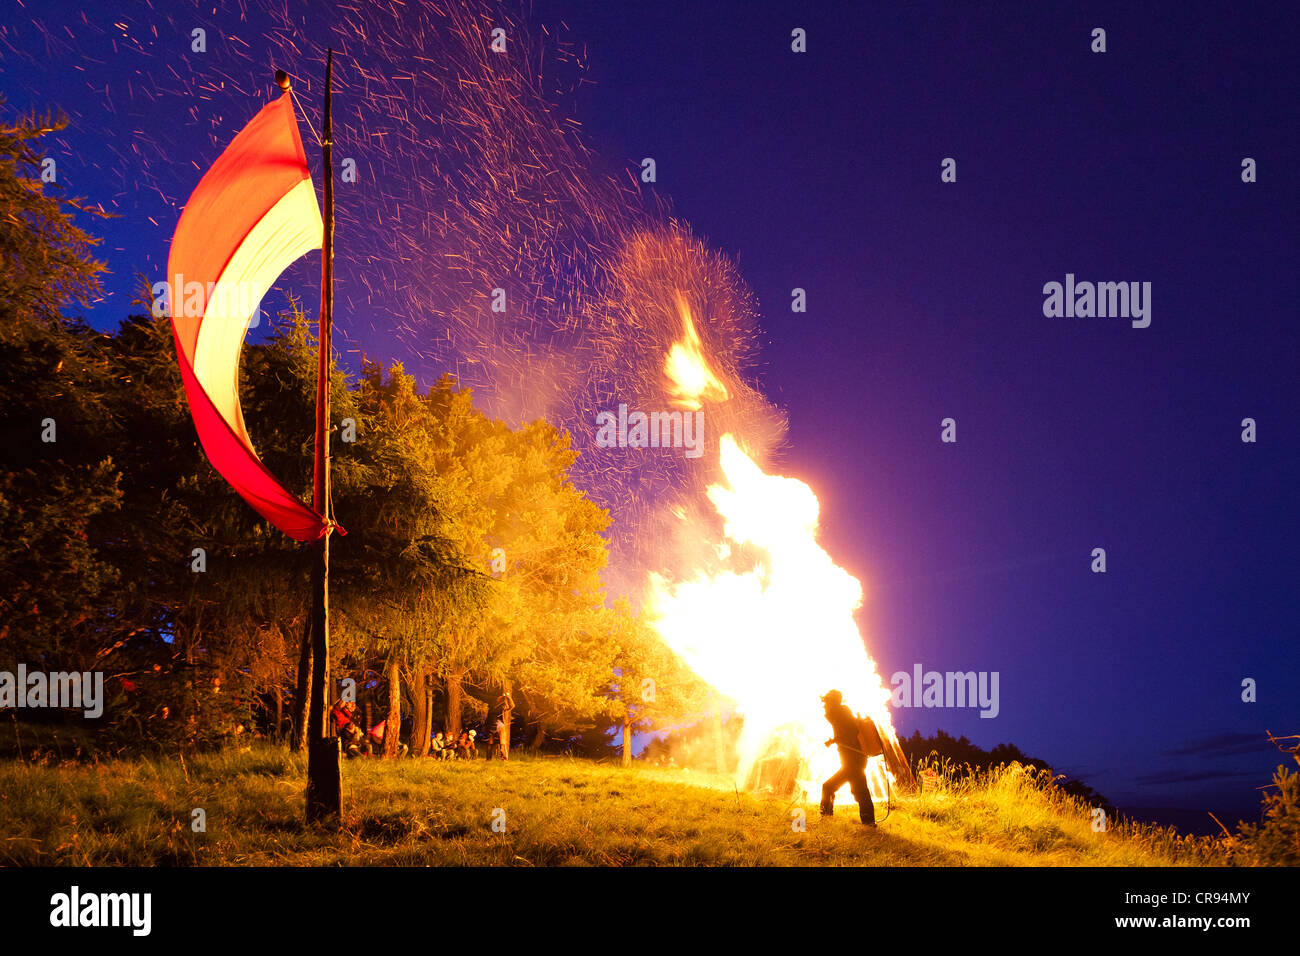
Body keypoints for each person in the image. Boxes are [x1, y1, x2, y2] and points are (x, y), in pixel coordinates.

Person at [820, 689, 875, 826]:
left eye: (828, 701)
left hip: (853, 762)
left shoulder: (839, 712)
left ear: (834, 701)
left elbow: (843, 727)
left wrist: (836, 739)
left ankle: (826, 819)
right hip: (855, 760)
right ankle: (869, 823)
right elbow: (847, 732)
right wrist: (834, 740)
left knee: (828, 787)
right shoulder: (843, 713)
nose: (825, 704)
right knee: (860, 791)